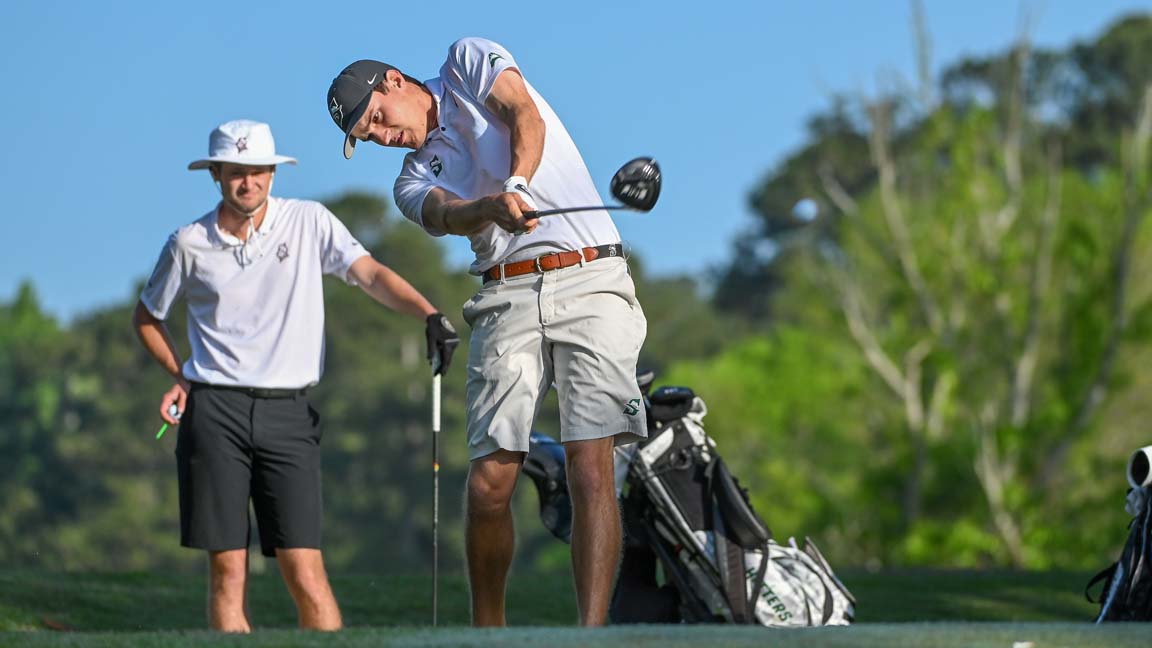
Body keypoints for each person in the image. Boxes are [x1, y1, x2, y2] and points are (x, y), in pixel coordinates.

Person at [326, 37, 648, 627]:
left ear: (394, 81)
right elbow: (446, 214)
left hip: (590, 275)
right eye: (364, 135)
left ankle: (592, 636)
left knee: (589, 461)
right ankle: (487, 634)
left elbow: (521, 111)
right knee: (488, 483)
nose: (378, 134)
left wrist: (517, 186)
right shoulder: (410, 180)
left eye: (375, 117)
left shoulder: (466, 61)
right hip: (506, 294)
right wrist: (488, 209)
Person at [131, 119, 459, 632]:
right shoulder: (188, 243)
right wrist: (183, 374)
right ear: (216, 174)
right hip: (215, 411)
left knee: (304, 567)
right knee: (228, 569)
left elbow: (369, 274)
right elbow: (148, 318)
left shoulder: (309, 221)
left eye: (259, 171)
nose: (249, 183)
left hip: (289, 413)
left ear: (273, 172)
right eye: (237, 172)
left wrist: (429, 314)